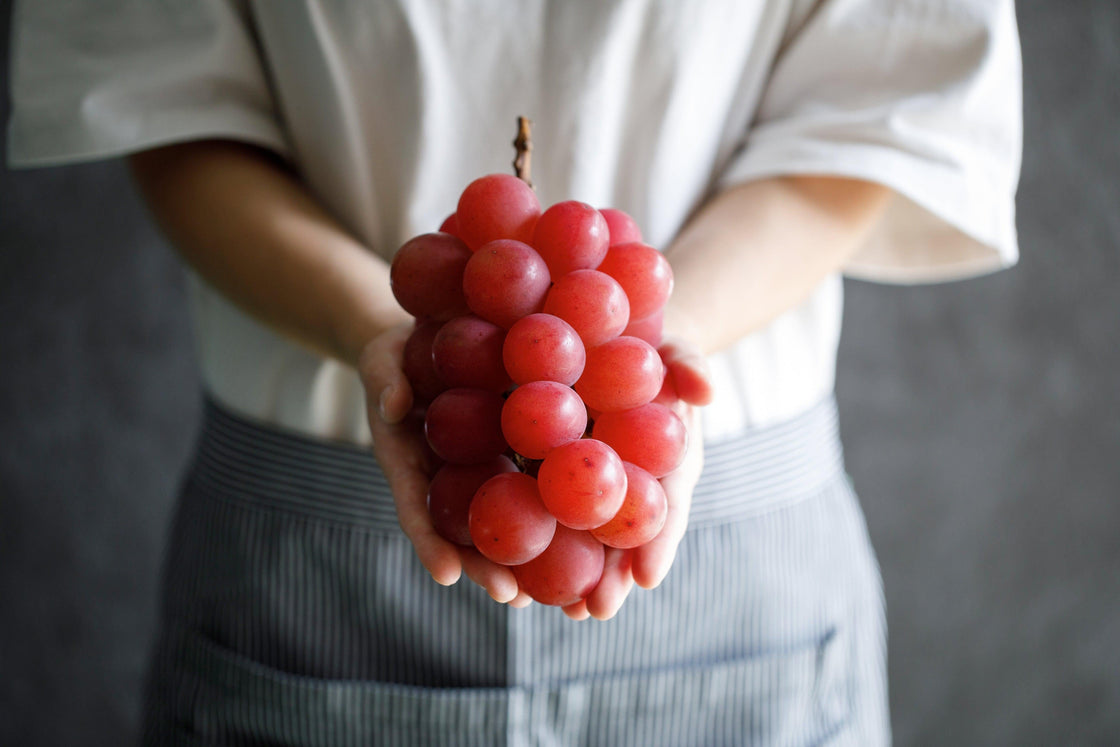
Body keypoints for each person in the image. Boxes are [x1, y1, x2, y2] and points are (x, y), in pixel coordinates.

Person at [7, 1, 1021, 744]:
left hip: (721, 527)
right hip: (317, 545)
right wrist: (379, 327)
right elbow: (167, 110)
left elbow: (876, 109)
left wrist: (669, 339)